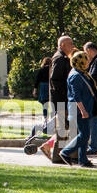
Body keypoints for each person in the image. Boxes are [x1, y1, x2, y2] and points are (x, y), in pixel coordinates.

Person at [38, 36, 75, 165]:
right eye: (70, 44)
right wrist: (66, 95)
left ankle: (57, 152)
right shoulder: (59, 58)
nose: (73, 46)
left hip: (62, 99)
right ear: (63, 45)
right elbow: (55, 80)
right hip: (61, 100)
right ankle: (58, 156)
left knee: (66, 128)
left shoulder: (63, 57)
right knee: (63, 129)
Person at [59, 50, 96, 168]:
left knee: (84, 134)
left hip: (83, 109)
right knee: (84, 135)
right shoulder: (76, 75)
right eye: (87, 59)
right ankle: (66, 152)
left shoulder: (81, 73)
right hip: (80, 109)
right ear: (81, 62)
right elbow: (76, 95)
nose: (89, 62)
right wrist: (83, 110)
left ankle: (83, 160)